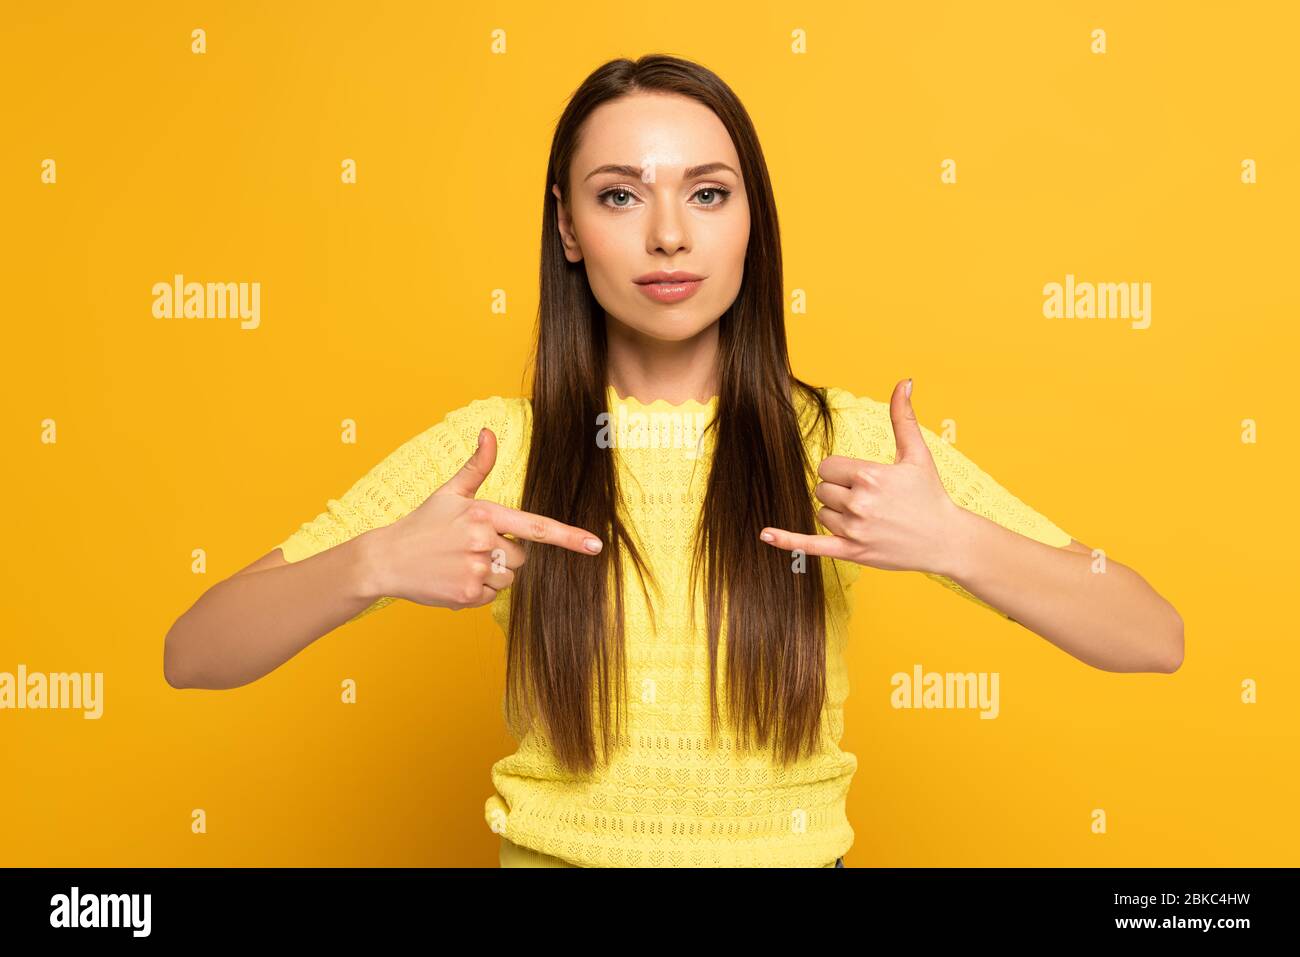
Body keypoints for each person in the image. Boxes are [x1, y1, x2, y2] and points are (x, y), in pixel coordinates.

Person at [163, 54, 1184, 869]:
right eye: (618, 198)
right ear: (566, 226)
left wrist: (956, 541)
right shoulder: (494, 448)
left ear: (751, 221)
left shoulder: (849, 441)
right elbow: (194, 654)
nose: (665, 236)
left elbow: (1151, 636)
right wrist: (374, 564)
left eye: (706, 193)